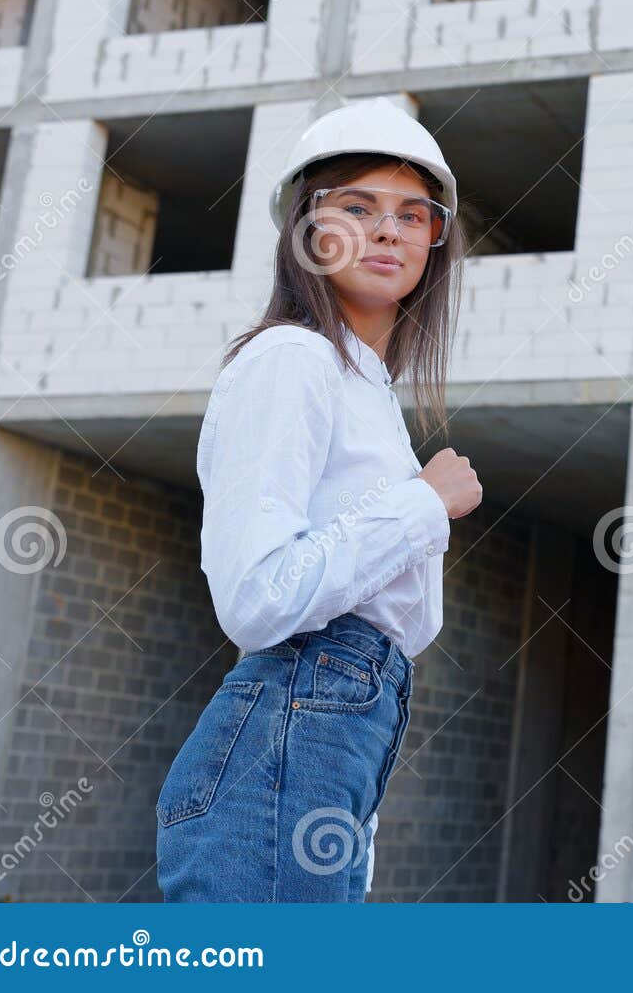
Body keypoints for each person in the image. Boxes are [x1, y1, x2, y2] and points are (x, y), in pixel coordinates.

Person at [156, 99, 483, 901]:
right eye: (357, 208)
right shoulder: (291, 359)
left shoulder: (366, 387)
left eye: (414, 215)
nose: (389, 231)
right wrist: (423, 506)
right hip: (289, 727)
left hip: (338, 730)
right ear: (307, 229)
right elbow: (257, 599)